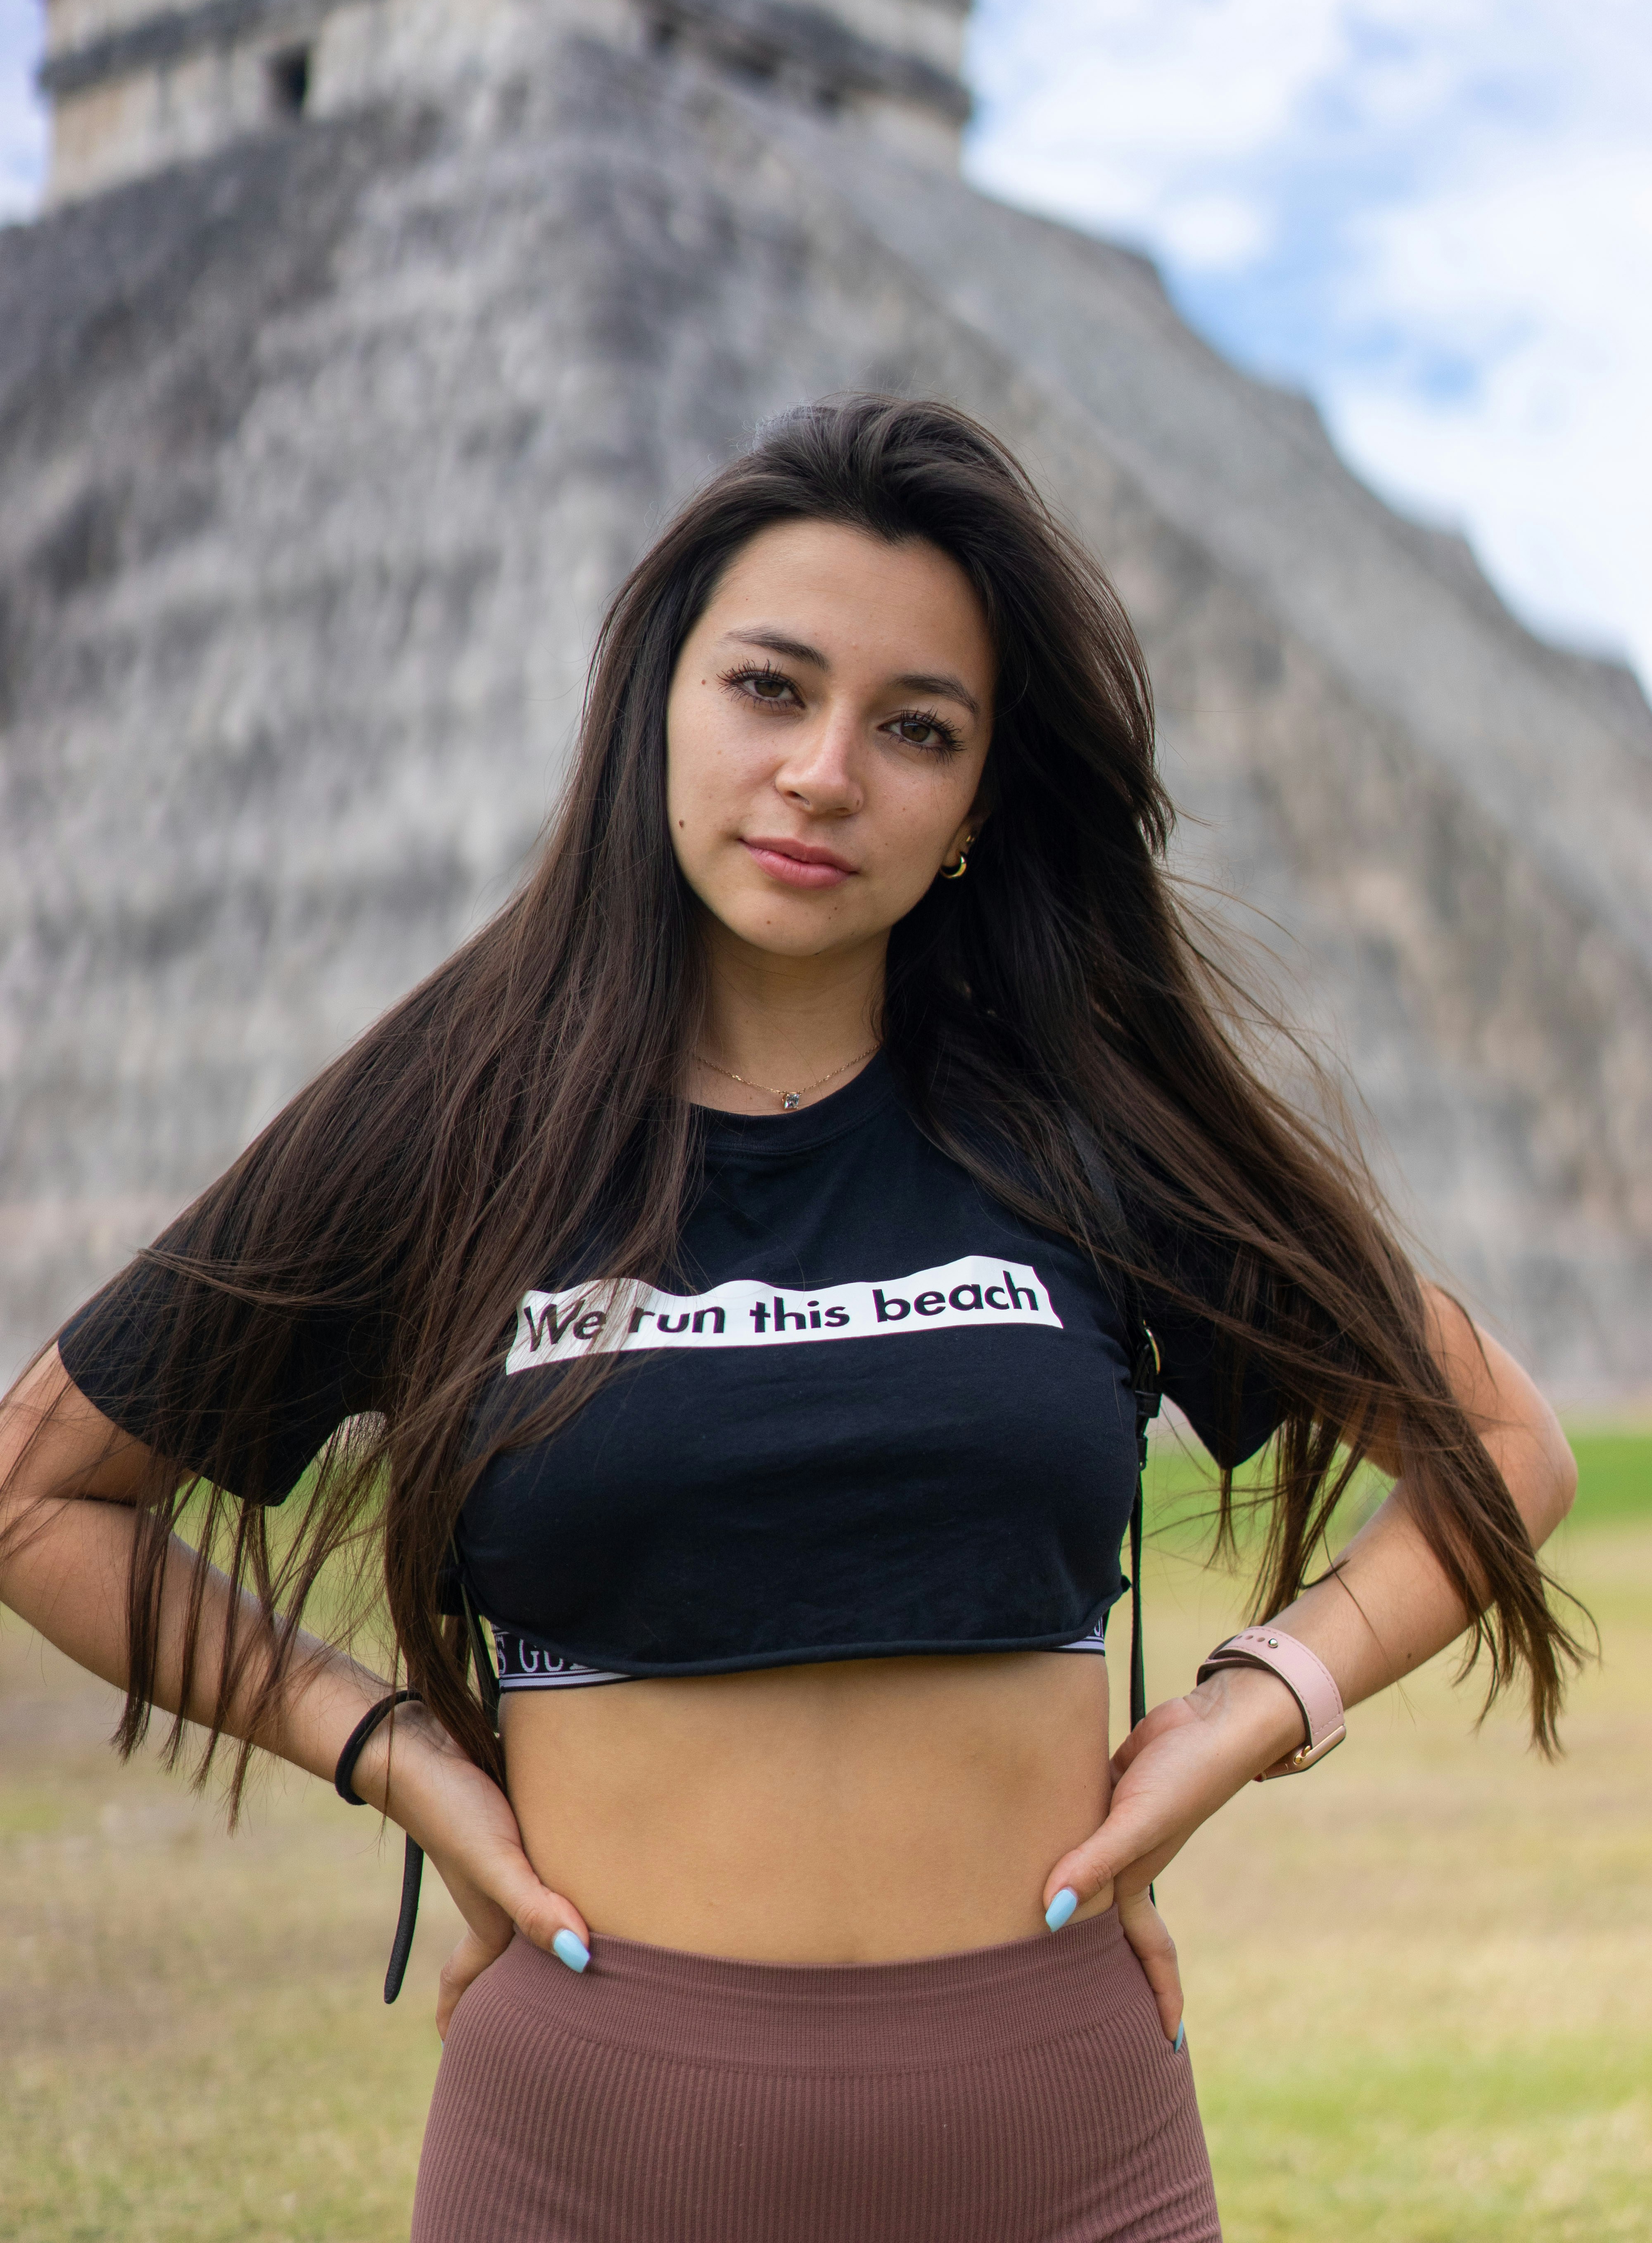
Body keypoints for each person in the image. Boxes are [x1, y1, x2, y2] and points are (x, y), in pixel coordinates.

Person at [0, 396, 1579, 2243]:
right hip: (585, 2151)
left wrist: (1250, 1711)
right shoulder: (457, 1118)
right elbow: (38, 1494)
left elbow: (1502, 1448)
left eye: (917, 729)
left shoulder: (1086, 1120)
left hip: (1063, 2143)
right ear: (656, 707)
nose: (826, 774)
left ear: (976, 804)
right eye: (770, 689)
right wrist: (389, 1748)